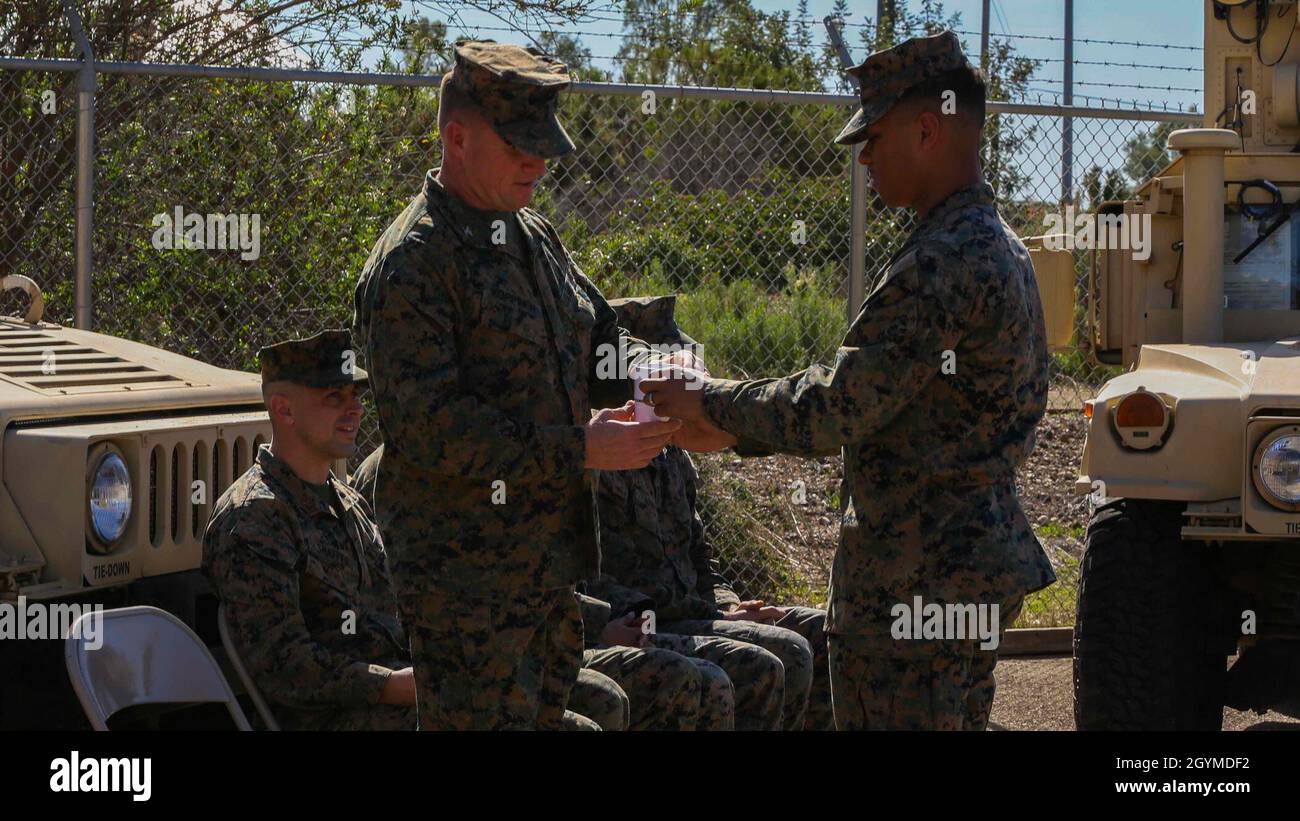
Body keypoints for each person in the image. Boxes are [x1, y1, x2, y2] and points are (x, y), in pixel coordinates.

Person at [640, 31, 1057, 730]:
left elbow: (839, 403)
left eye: (876, 135)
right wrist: (731, 427)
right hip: (963, 565)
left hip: (918, 578)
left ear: (927, 130)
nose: (864, 156)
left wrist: (707, 401)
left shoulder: (944, 261)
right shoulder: (994, 243)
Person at [352, 40, 684, 730]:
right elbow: (430, 428)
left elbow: (596, 348)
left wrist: (675, 381)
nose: (538, 162)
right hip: (465, 588)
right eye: (518, 145)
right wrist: (578, 448)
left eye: (544, 144)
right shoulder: (415, 262)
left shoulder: (532, 237)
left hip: (546, 576)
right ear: (457, 137)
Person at [203, 330, 607, 731]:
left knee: (596, 697)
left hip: (407, 684)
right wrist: (396, 685)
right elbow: (283, 666)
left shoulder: (346, 501)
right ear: (284, 410)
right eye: (333, 398)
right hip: (339, 713)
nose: (354, 410)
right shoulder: (254, 517)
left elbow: (408, 597)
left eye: (355, 396)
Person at [352, 448, 729, 731]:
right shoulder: (399, 473)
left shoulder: (506, 456)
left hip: (550, 633)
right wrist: (600, 625)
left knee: (696, 676)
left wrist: (609, 619)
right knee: (638, 687)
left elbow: (551, 574)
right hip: (477, 652)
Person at [595, 296, 834, 730]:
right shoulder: (599, 455)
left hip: (697, 613)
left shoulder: (673, 459)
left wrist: (727, 604)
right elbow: (588, 575)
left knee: (827, 633)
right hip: (651, 621)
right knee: (777, 656)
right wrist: (711, 613)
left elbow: (701, 557)